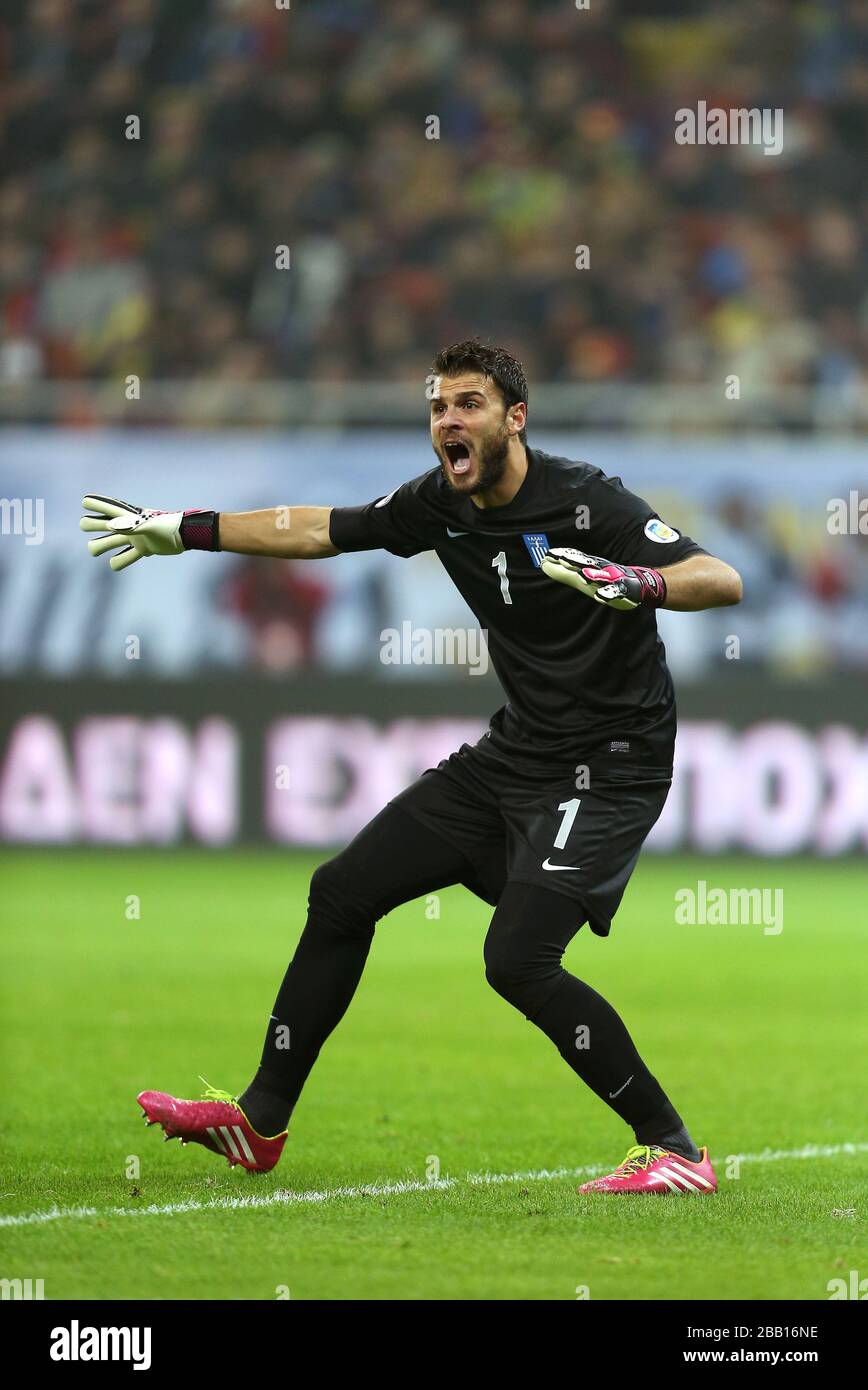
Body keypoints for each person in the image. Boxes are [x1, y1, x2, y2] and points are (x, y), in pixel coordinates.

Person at [81, 340, 742, 1196]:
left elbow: (718, 577)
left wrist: (635, 583)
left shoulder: (588, 501)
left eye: (467, 405)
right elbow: (320, 527)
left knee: (516, 961)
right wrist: (184, 529)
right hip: (514, 755)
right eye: (437, 408)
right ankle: (260, 1120)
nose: (446, 423)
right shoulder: (440, 504)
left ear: (516, 418)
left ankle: (676, 1150)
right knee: (343, 890)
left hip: (610, 766)